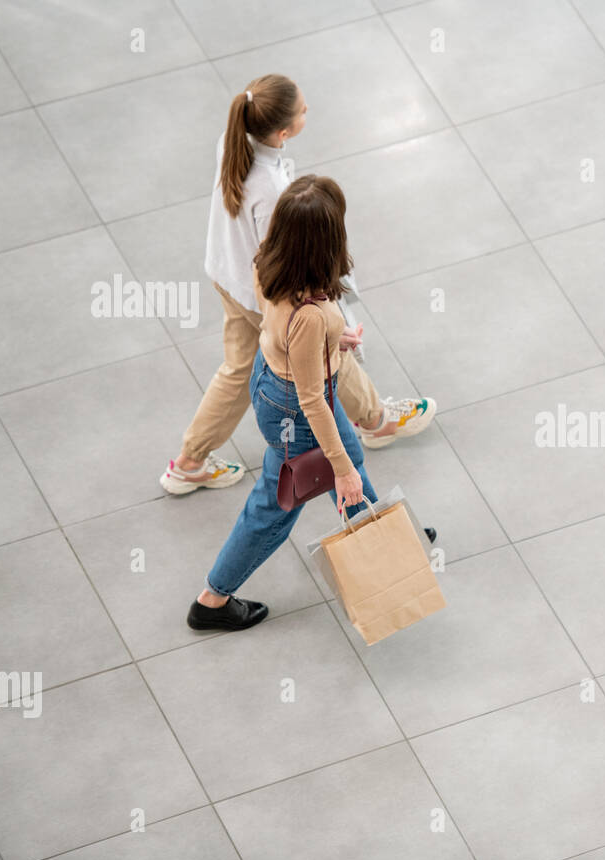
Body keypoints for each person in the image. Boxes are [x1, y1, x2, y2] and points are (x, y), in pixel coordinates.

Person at [161, 74, 435, 496]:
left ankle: (189, 462)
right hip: (261, 294)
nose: (309, 110)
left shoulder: (231, 140)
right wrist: (324, 319)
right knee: (325, 357)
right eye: (303, 109)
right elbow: (283, 263)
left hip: (225, 273)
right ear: (283, 131)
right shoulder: (272, 192)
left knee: (238, 371)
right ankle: (376, 421)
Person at [189, 176, 404, 630]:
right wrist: (340, 469)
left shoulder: (269, 261)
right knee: (279, 503)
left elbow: (279, 331)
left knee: (350, 459)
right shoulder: (308, 314)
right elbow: (312, 399)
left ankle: (385, 541)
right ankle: (212, 599)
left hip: (271, 381)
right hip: (298, 409)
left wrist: (332, 340)